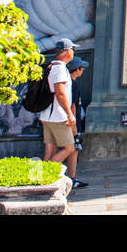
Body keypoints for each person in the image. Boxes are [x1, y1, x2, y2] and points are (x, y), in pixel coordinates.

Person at [40, 38, 85, 188]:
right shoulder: (59, 68)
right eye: (72, 49)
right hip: (58, 116)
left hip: (47, 115)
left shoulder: (50, 66)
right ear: (67, 51)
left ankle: (41, 180)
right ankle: (42, 174)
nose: (72, 52)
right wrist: (69, 114)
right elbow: (60, 93)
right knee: (69, 148)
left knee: (50, 149)